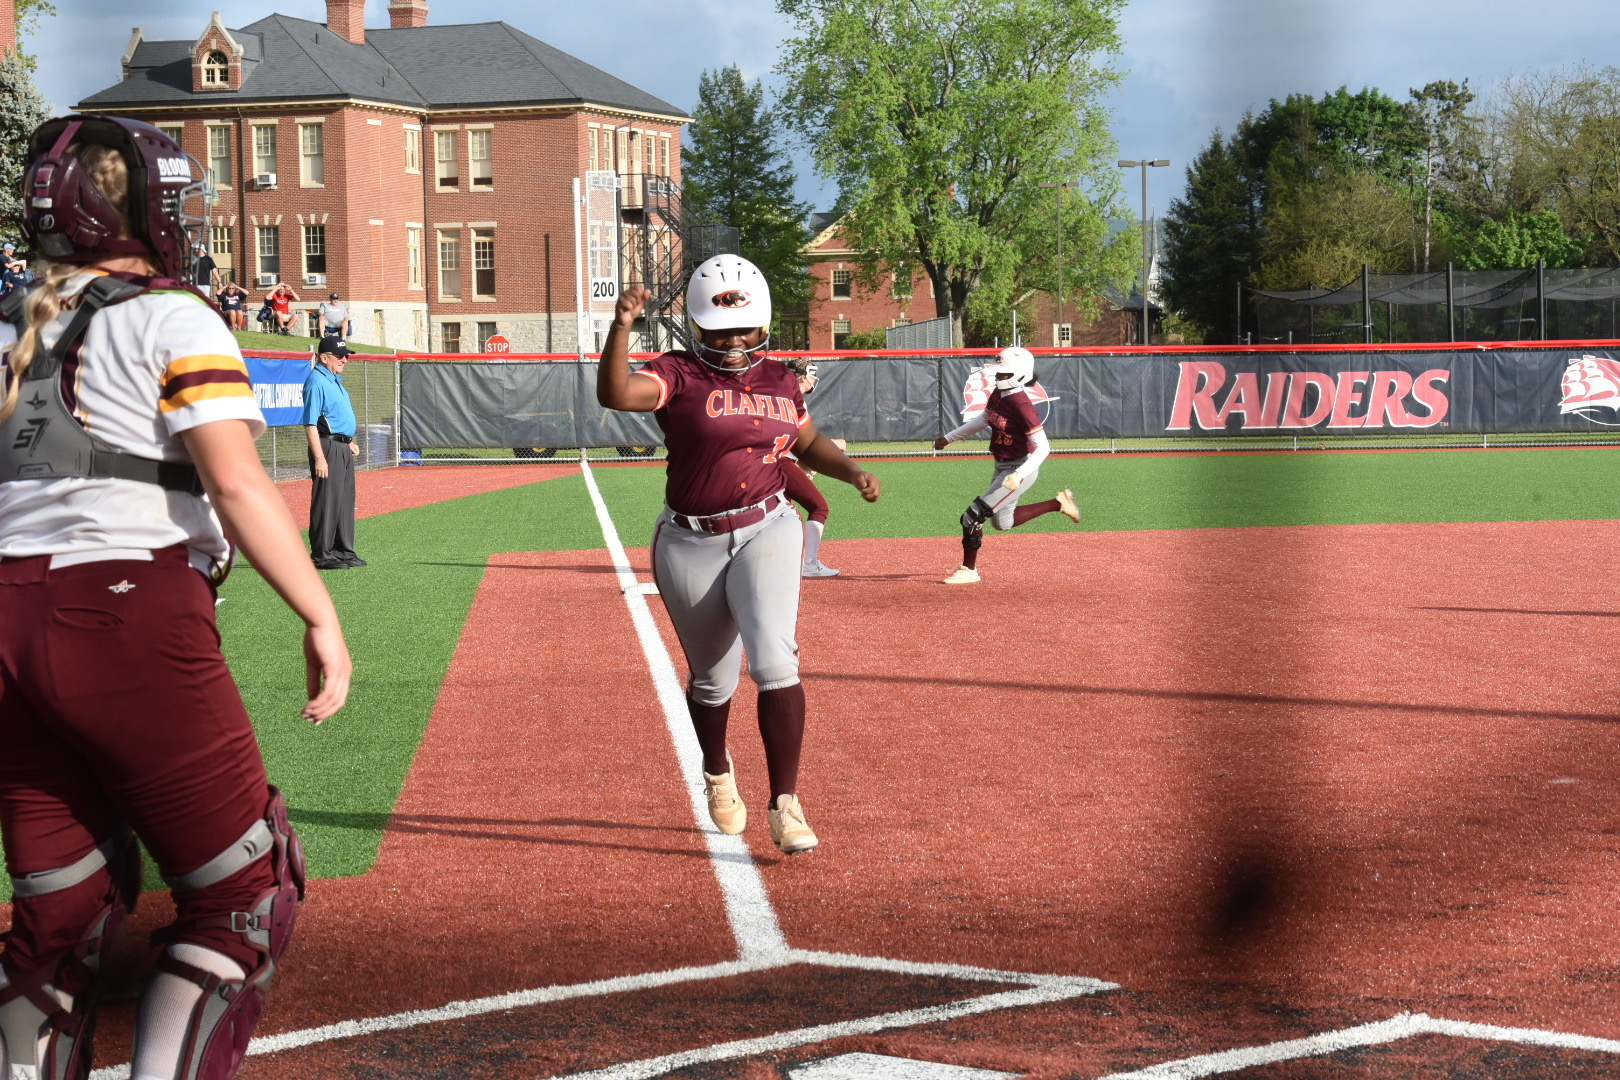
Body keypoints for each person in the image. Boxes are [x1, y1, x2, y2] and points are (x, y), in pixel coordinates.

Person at [0, 113, 350, 1080]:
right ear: (132, 207)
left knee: (56, 915)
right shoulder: (170, 316)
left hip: (7, 624)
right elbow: (237, 485)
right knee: (244, 896)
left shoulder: (11, 322)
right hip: (122, 613)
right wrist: (320, 616)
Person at [597, 255, 879, 854]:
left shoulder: (779, 378)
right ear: (699, 329)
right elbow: (618, 392)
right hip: (689, 539)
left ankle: (785, 801)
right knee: (713, 681)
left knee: (774, 658)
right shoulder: (678, 373)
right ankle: (718, 772)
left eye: (744, 329)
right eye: (721, 330)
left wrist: (850, 470)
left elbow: (805, 441)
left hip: (767, 526)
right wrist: (622, 325)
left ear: (764, 325)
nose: (734, 341)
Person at [933, 347, 1080, 584]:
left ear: (1020, 374)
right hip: (1003, 466)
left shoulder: (1021, 404)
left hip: (1020, 467)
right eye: (998, 373)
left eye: (1004, 373)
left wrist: (1019, 474)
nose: (998, 377)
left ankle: (969, 570)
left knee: (972, 516)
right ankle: (1058, 503)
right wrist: (950, 438)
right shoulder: (998, 394)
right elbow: (984, 419)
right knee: (1003, 522)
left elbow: (1044, 448)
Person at [302, 336, 364, 569]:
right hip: (327, 448)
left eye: (346, 356)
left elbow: (333, 418)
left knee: (344, 500)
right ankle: (321, 554)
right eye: (340, 356)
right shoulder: (316, 381)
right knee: (327, 501)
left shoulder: (334, 380)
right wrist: (320, 457)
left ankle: (342, 551)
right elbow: (310, 424)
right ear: (323, 357)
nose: (344, 360)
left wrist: (347, 442)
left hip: (341, 447)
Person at [780, 358, 839, 578]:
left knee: (777, 514)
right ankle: (809, 563)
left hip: (773, 460)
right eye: (811, 372)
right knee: (819, 507)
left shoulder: (780, 395)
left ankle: (778, 562)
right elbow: (795, 437)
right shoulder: (792, 399)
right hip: (778, 461)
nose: (814, 378)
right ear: (801, 375)